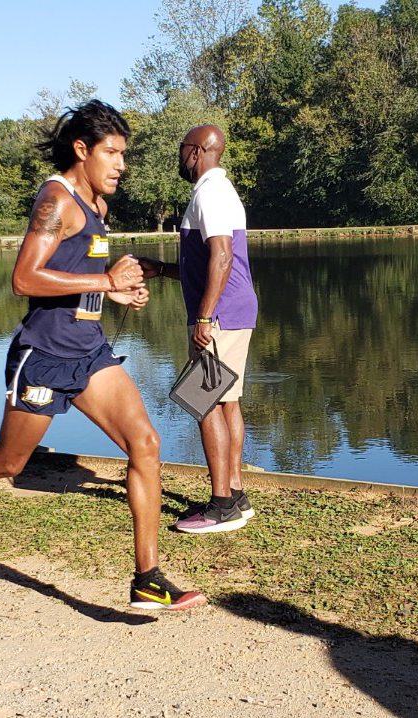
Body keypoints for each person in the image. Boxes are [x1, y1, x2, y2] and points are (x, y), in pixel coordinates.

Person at [0, 100, 206, 612]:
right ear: (82, 150)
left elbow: (81, 273)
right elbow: (24, 279)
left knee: (145, 442)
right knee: (7, 461)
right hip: (42, 355)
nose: (121, 164)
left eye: (123, 154)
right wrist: (104, 281)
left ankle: (148, 577)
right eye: (111, 153)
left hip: (88, 351)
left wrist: (117, 291)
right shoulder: (56, 200)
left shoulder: (98, 209)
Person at [140, 124, 259, 534]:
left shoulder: (209, 192)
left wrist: (205, 317)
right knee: (228, 401)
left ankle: (221, 506)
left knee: (204, 401)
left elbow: (222, 259)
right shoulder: (219, 191)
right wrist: (162, 270)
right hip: (236, 310)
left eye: (181, 149)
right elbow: (206, 263)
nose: (179, 157)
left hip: (220, 315)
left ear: (196, 151)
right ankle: (237, 494)